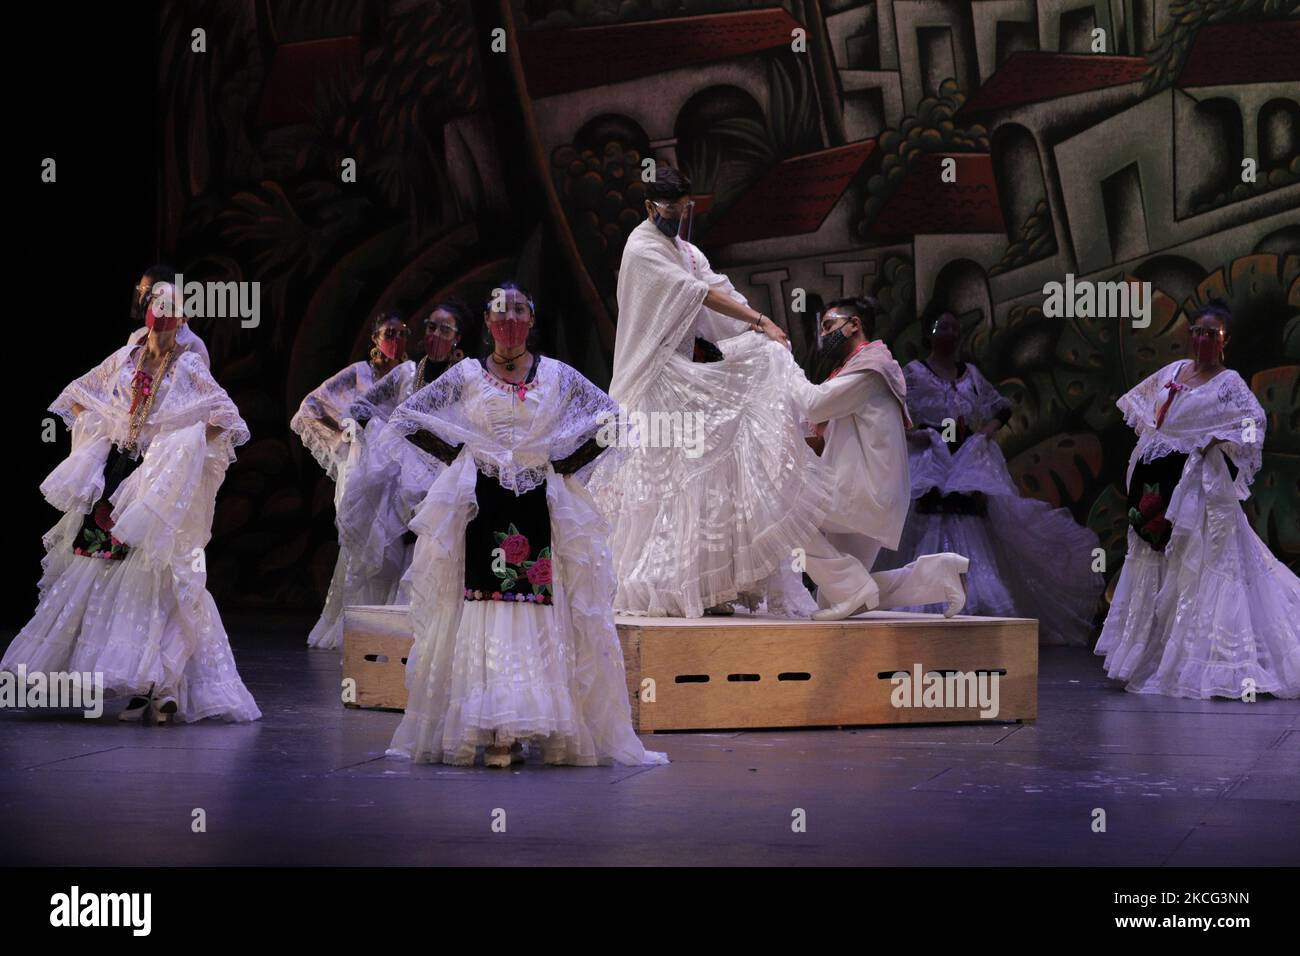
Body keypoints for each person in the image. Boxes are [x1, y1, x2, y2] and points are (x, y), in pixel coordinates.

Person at [385, 284, 667, 767]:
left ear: (531, 320)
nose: (509, 319)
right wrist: (462, 457)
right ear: (487, 321)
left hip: (539, 500)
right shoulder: (469, 375)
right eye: (500, 311)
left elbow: (613, 421)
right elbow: (409, 418)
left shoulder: (556, 375)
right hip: (482, 502)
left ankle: (545, 728)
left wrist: (565, 463)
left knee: (540, 606)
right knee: (485, 603)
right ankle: (495, 730)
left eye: (518, 311)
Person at [1, 274, 259, 723]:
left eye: (171, 308)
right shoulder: (127, 356)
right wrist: (102, 429)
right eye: (155, 305)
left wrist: (185, 447)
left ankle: (162, 686)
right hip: (119, 477)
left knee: (162, 575)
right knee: (106, 576)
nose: (161, 314)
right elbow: (75, 396)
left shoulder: (189, 361)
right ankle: (145, 686)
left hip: (156, 482)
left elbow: (228, 418)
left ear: (183, 317)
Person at [588, 163, 830, 618]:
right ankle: (664, 583)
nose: (675, 217)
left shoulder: (686, 250)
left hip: (683, 371)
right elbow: (695, 293)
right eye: (667, 209)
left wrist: (760, 328)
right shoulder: (642, 248)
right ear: (648, 207)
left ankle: (712, 586)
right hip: (654, 378)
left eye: (682, 209)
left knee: (711, 465)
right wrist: (759, 321)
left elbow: (720, 289)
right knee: (670, 481)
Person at [1096, 299, 1300, 698]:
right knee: (1161, 568)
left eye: (1212, 333)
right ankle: (1153, 655)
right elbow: (1147, 414)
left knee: (1203, 568)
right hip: (1157, 488)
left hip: (1200, 493)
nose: (1203, 339)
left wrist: (1214, 440)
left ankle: (1209, 661)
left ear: (1224, 340)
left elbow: (1252, 421)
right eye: (1198, 331)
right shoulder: (1173, 372)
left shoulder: (1228, 382)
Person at [873, 307, 1103, 644]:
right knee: (929, 519)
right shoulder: (915, 373)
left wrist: (984, 434)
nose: (949, 331)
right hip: (931, 453)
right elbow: (893, 407)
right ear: (929, 333)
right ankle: (924, 595)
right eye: (942, 325)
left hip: (965, 455)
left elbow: (1002, 407)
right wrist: (915, 435)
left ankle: (970, 597)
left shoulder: (971, 375)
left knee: (970, 521)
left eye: (954, 326)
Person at [787, 297, 968, 620]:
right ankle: (937, 576)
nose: (824, 335)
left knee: (780, 511)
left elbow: (813, 405)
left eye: (829, 326)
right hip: (867, 495)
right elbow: (815, 423)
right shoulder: (861, 369)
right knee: (839, 599)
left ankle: (854, 585)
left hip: (861, 493)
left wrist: (780, 363)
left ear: (854, 324)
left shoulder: (869, 369)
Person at [337, 303, 471, 615]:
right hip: (406, 476)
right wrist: (377, 439)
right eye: (431, 327)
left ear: (457, 338)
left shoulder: (464, 377)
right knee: (405, 543)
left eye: (445, 329)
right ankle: (397, 621)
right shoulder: (407, 373)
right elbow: (360, 408)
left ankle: (433, 620)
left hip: (445, 471)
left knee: (435, 544)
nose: (436, 334)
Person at [290, 312, 409, 649]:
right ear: (375, 338)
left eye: (402, 333)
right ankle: (354, 622)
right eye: (389, 333)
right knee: (360, 543)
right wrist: (346, 436)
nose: (396, 339)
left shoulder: (409, 374)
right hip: (362, 467)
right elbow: (310, 407)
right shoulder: (360, 373)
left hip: (394, 471)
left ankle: (384, 621)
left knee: (390, 544)